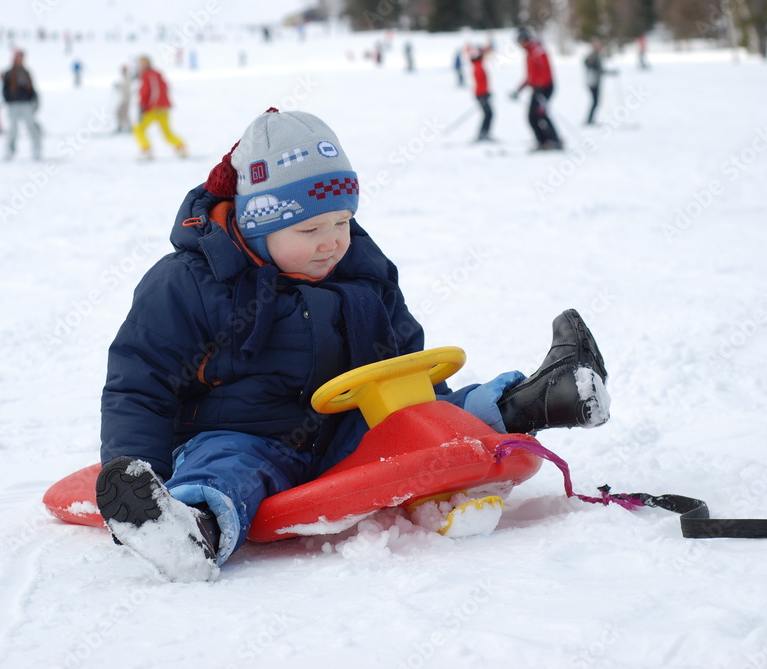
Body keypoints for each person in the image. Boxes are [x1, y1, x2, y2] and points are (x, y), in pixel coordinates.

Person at [95, 109, 611, 582]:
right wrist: (142, 470)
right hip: (244, 436)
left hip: (345, 430)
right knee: (227, 463)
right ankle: (188, 527)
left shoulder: (362, 270)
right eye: (310, 227)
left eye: (343, 222)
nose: (331, 242)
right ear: (256, 225)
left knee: (426, 411)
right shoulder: (190, 283)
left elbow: (409, 363)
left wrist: (438, 426)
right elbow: (139, 382)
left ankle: (542, 398)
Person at [511, 28, 562, 151]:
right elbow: (530, 77)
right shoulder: (529, 53)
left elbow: (546, 72)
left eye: (522, 42)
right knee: (533, 116)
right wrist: (519, 90)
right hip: (537, 89)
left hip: (545, 88)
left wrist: (540, 86)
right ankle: (543, 141)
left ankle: (554, 140)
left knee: (539, 114)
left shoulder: (538, 51)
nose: (521, 45)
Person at [132, 55, 187, 159]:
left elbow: (153, 91)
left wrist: (144, 105)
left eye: (141, 63)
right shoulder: (153, 73)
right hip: (162, 108)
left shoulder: (149, 74)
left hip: (153, 108)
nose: (140, 65)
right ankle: (181, 147)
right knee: (167, 132)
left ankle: (146, 150)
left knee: (138, 129)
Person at [1, 49, 42, 160]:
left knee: (31, 126)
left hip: (26, 104)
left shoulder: (26, 72)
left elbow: (31, 88)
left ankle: (36, 149)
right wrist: (8, 100)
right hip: (14, 104)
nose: (20, 60)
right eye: (18, 57)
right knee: (13, 129)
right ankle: (10, 149)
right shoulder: (9, 73)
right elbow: (4, 89)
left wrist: (34, 99)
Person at [584, 39, 617, 125]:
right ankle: (589, 120)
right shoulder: (593, 55)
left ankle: (590, 119)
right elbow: (587, 63)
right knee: (595, 101)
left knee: (595, 102)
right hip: (593, 82)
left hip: (595, 82)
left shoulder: (596, 55)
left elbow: (599, 70)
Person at [468, 44, 494, 141]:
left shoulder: (478, 65)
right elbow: (480, 82)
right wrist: (485, 93)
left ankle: (484, 133)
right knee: (488, 114)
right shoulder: (478, 66)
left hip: (482, 93)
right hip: (481, 94)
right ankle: (483, 134)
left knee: (488, 114)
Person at [114, 64, 131, 133]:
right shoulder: (124, 77)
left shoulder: (127, 77)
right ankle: (122, 127)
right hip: (123, 99)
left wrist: (119, 86)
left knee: (122, 113)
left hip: (125, 99)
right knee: (120, 113)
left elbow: (126, 86)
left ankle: (128, 127)